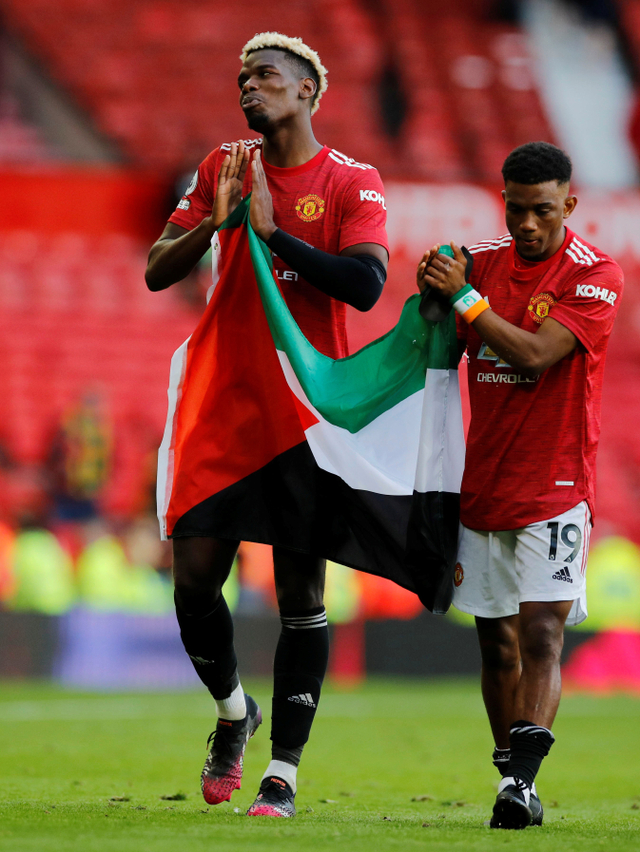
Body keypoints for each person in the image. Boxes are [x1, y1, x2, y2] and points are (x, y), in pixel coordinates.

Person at [145, 32, 388, 818]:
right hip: (225, 401)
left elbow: (365, 286)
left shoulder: (352, 180)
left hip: (304, 411)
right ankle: (231, 712)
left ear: (309, 90)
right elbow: (155, 270)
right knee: (191, 583)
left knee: (299, 593)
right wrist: (213, 227)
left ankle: (282, 772)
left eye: (267, 76)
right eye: (243, 78)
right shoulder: (224, 166)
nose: (250, 87)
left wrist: (275, 233)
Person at [417, 141, 622, 829]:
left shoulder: (596, 275)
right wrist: (432, 288)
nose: (526, 224)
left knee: (541, 632)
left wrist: (465, 298)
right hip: (485, 485)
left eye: (541, 210)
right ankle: (511, 778)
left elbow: (534, 357)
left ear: (569, 203)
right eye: (515, 209)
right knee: (494, 642)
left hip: (557, 483)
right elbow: (436, 326)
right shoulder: (480, 261)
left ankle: (524, 784)